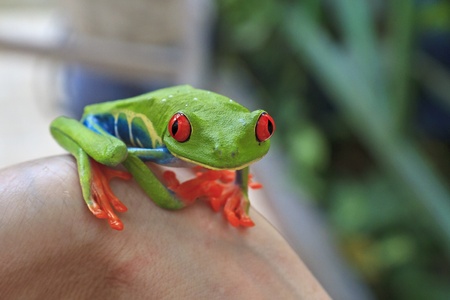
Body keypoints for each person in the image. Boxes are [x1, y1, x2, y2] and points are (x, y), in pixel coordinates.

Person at [0, 155, 330, 299]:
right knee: (114, 150)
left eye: (263, 129)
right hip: (118, 134)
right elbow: (131, 156)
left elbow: (239, 156)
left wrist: (237, 189)